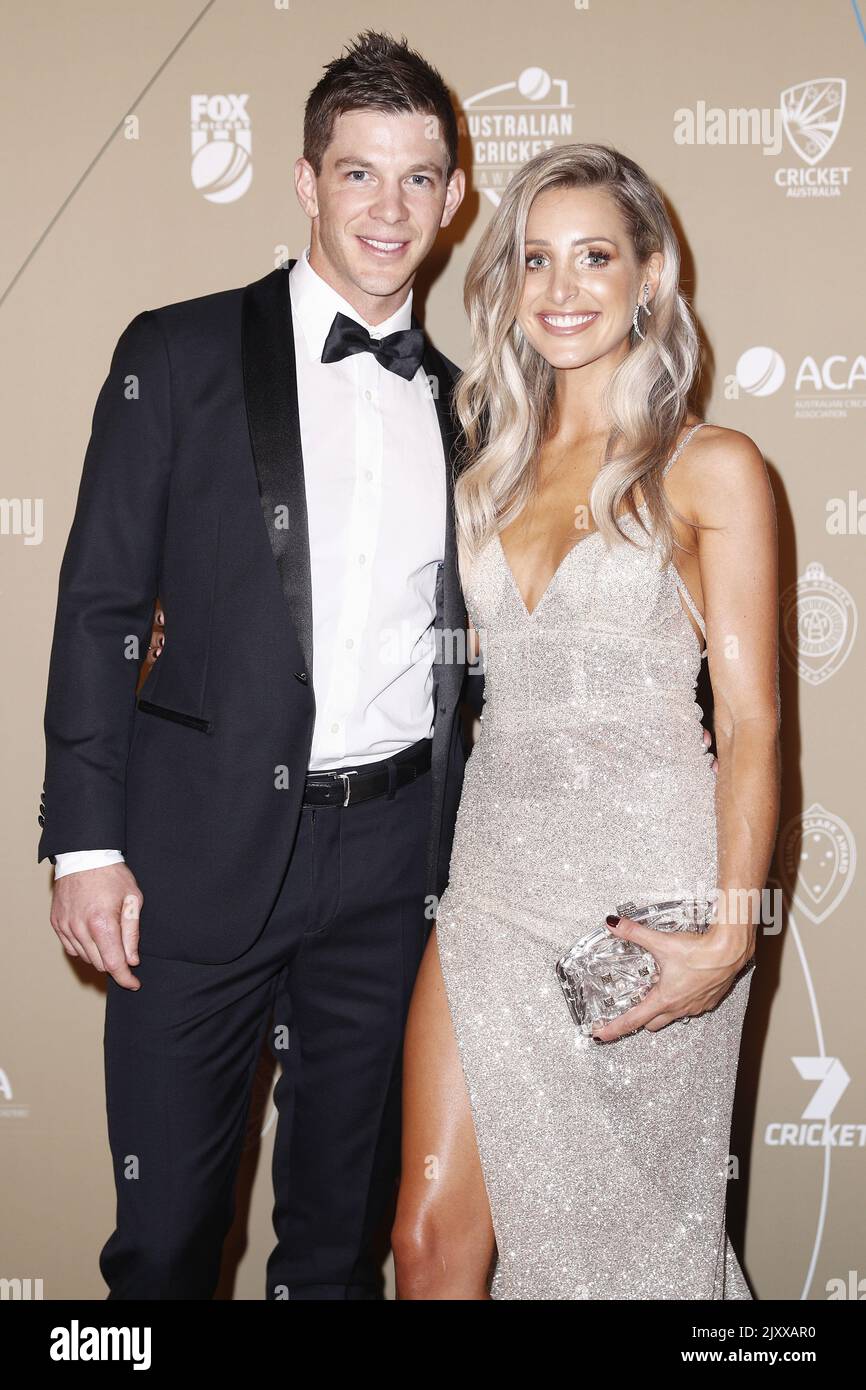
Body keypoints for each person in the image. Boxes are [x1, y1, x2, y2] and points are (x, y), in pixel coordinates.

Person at [37, 31, 472, 1300]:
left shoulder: (470, 404)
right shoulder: (172, 355)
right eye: (358, 174)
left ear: (451, 197)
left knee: (335, 1249)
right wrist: (85, 841)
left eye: (417, 178)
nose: (387, 209)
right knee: (165, 1242)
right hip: (189, 855)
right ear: (304, 181)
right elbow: (99, 605)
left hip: (391, 870)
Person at [391, 144, 780, 1300]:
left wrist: (730, 928)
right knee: (423, 1237)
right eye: (534, 260)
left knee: (627, 1258)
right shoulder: (481, 477)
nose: (560, 288)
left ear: (649, 276)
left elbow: (753, 721)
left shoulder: (709, 468)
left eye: (594, 257)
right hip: (494, 880)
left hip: (648, 894)